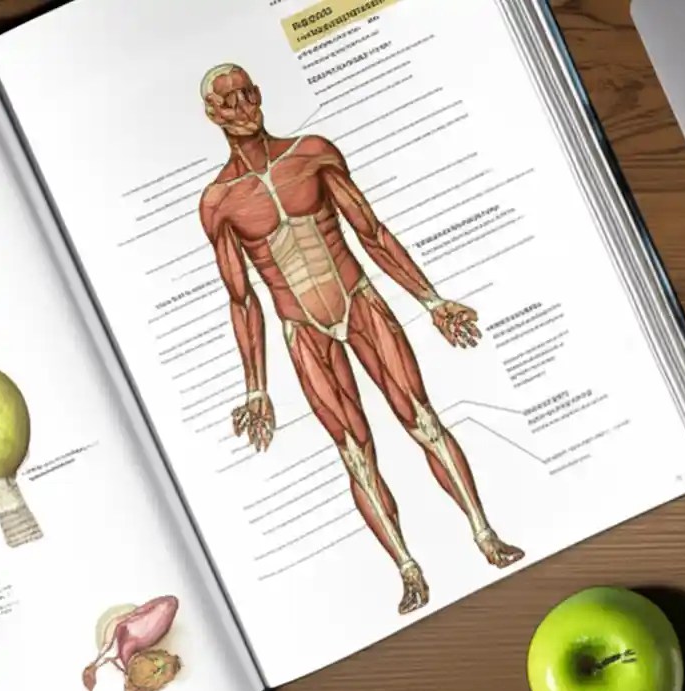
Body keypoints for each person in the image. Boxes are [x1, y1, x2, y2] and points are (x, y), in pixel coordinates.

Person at [196, 63, 523, 614]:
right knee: (355, 454)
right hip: (303, 329)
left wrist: (432, 300)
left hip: (360, 301)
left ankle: (485, 535)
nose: (244, 106)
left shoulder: (313, 152)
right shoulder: (218, 202)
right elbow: (241, 297)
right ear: (213, 115)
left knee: (422, 419)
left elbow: (370, 231)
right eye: (229, 101)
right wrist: (256, 387)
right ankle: (408, 569)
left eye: (248, 92)